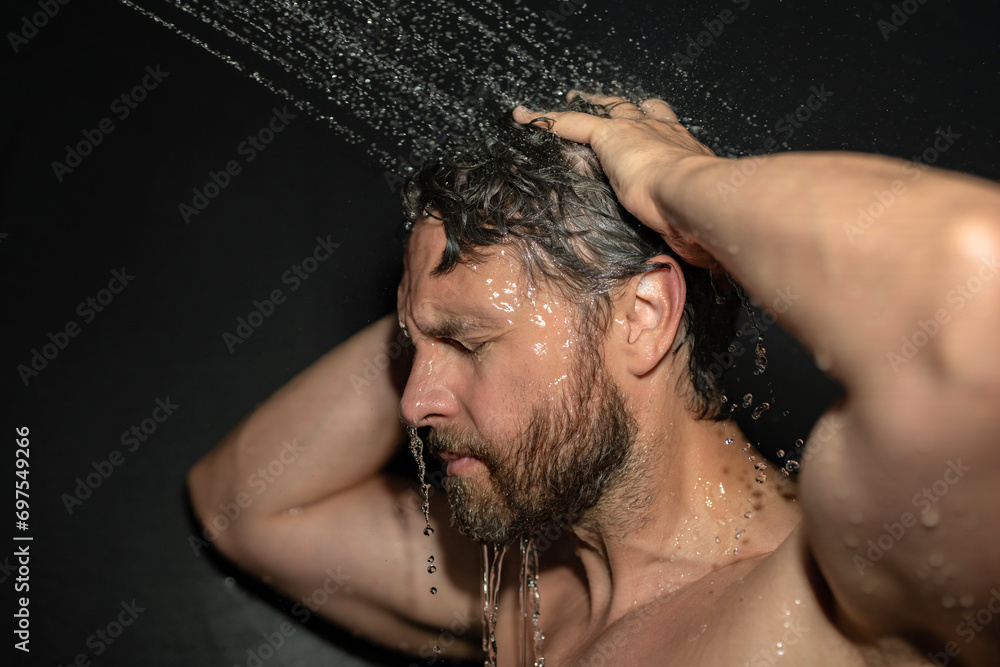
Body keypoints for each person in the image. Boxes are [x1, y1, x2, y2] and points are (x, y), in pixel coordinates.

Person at [187, 92, 1000, 666]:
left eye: (468, 345)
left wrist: (680, 186)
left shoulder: (833, 602)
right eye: (415, 349)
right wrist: (435, 300)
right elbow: (245, 503)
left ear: (643, 314)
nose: (413, 399)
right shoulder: (528, 590)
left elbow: (979, 298)